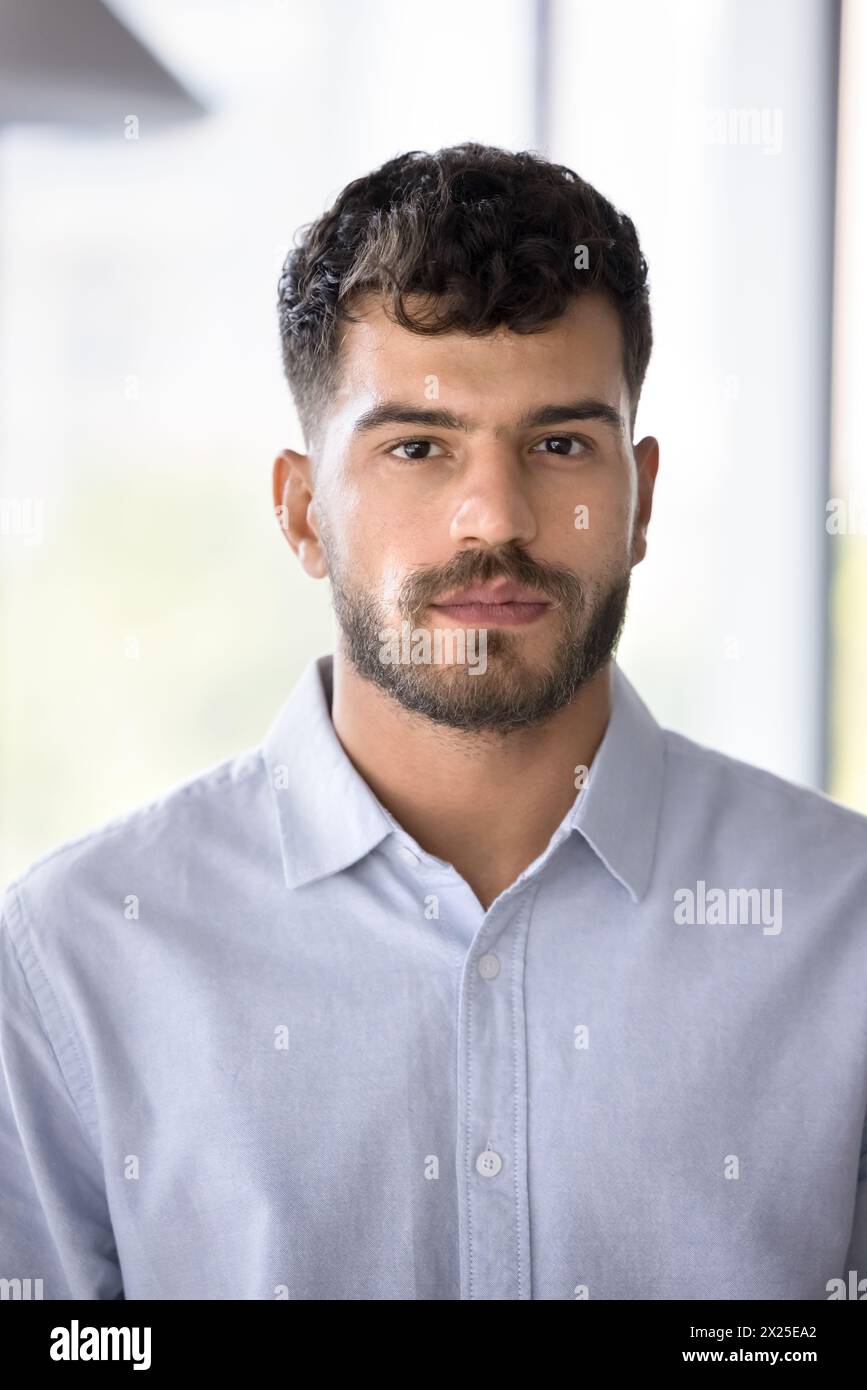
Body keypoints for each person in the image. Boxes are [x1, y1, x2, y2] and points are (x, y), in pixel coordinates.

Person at [1, 143, 864, 1301]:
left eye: (560, 444)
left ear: (641, 498)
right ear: (303, 511)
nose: (493, 518)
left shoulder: (843, 932)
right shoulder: (75, 959)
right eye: (418, 447)